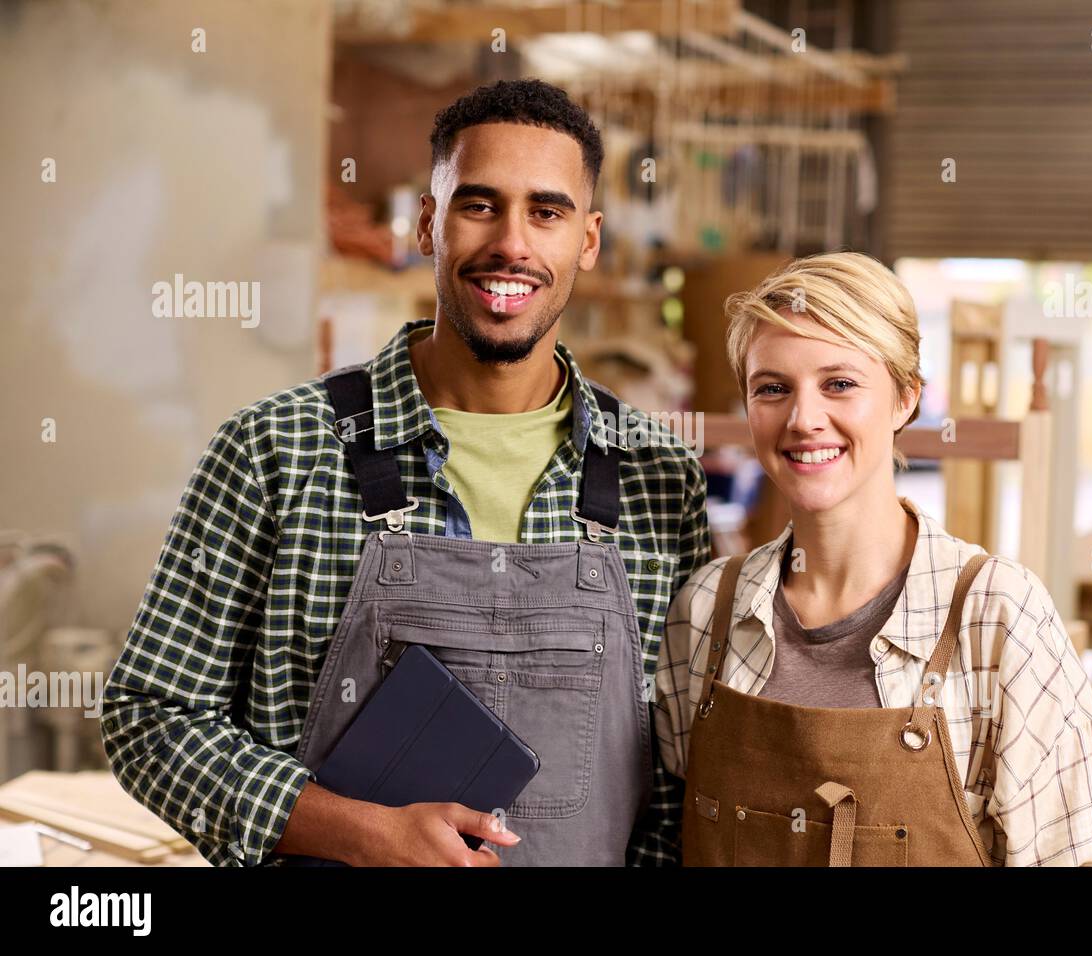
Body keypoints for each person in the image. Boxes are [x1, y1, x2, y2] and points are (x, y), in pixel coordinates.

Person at [101, 79, 708, 867]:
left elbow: (678, 787)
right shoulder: (276, 451)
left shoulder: (656, 479)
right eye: (479, 205)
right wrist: (362, 834)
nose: (512, 245)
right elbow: (151, 716)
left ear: (587, 240)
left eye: (547, 212)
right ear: (429, 222)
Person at [654, 251, 1092, 866]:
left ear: (905, 398)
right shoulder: (707, 613)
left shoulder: (995, 618)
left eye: (840, 384)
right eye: (773, 388)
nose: (805, 419)